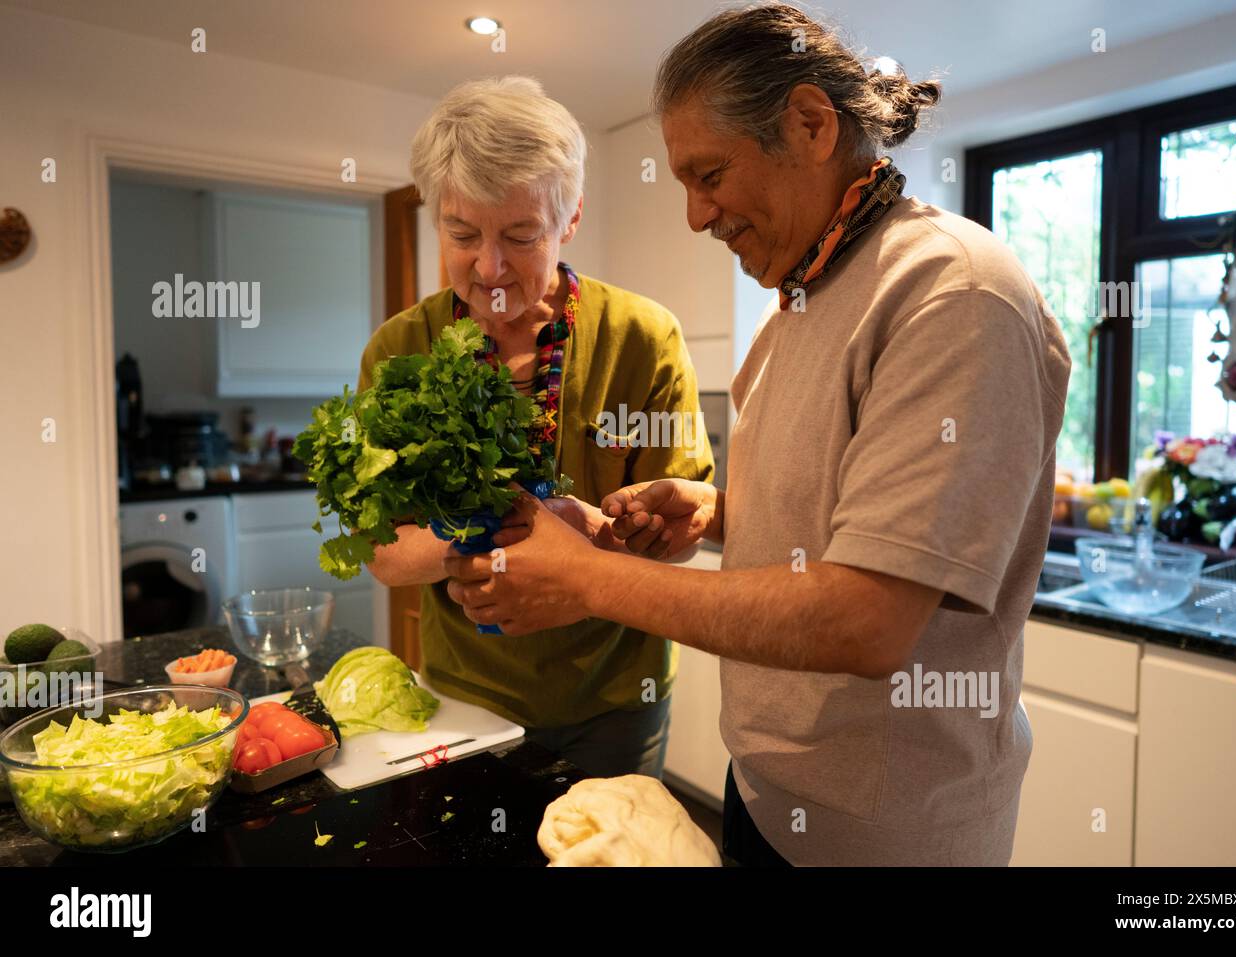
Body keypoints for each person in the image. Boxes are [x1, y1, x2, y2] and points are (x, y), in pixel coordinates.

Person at [443, 6, 1071, 866]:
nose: (697, 216)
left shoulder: (952, 294)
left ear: (811, 125)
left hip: (888, 833)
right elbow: (842, 519)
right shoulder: (801, 299)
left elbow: (866, 616)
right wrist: (716, 508)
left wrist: (591, 579)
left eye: (710, 174)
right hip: (771, 793)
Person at [359, 76, 714, 779]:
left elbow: (683, 536)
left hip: (617, 698)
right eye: (462, 234)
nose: (489, 267)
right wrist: (497, 529)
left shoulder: (643, 337)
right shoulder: (400, 350)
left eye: (521, 235)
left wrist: (591, 547)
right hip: (465, 699)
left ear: (571, 218)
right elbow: (382, 552)